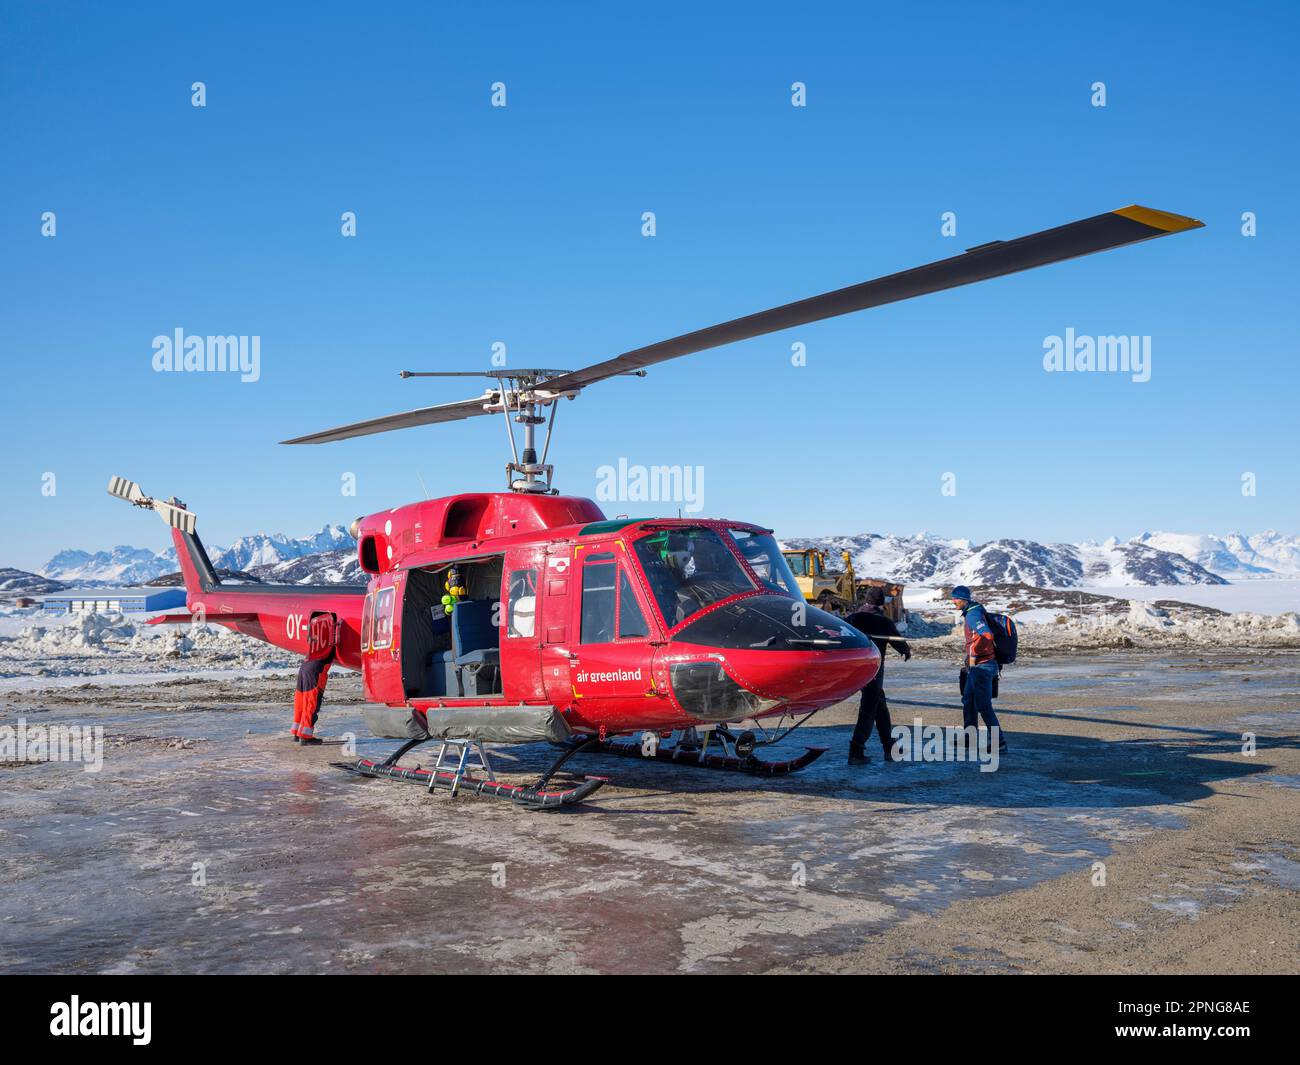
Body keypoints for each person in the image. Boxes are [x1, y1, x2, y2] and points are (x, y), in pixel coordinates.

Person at [845, 587, 911, 765]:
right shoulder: (883, 621)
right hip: (873, 670)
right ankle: (856, 750)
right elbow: (899, 643)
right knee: (869, 709)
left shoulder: (854, 618)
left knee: (879, 705)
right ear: (881, 603)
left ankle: (889, 747)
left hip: (855, 669)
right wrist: (905, 651)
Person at [950, 585, 1008, 753]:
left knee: (983, 705)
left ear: (962, 599)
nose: (953, 602)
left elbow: (987, 635)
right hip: (978, 667)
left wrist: (974, 653)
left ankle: (1000, 743)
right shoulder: (973, 611)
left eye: (955, 599)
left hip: (982, 666)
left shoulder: (973, 614)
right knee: (968, 700)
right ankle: (970, 738)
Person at [292, 646, 334, 745]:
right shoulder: (331, 641)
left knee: (301, 703)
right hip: (315, 670)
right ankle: (305, 737)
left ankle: (297, 733)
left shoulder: (319, 641)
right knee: (311, 704)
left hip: (305, 666)